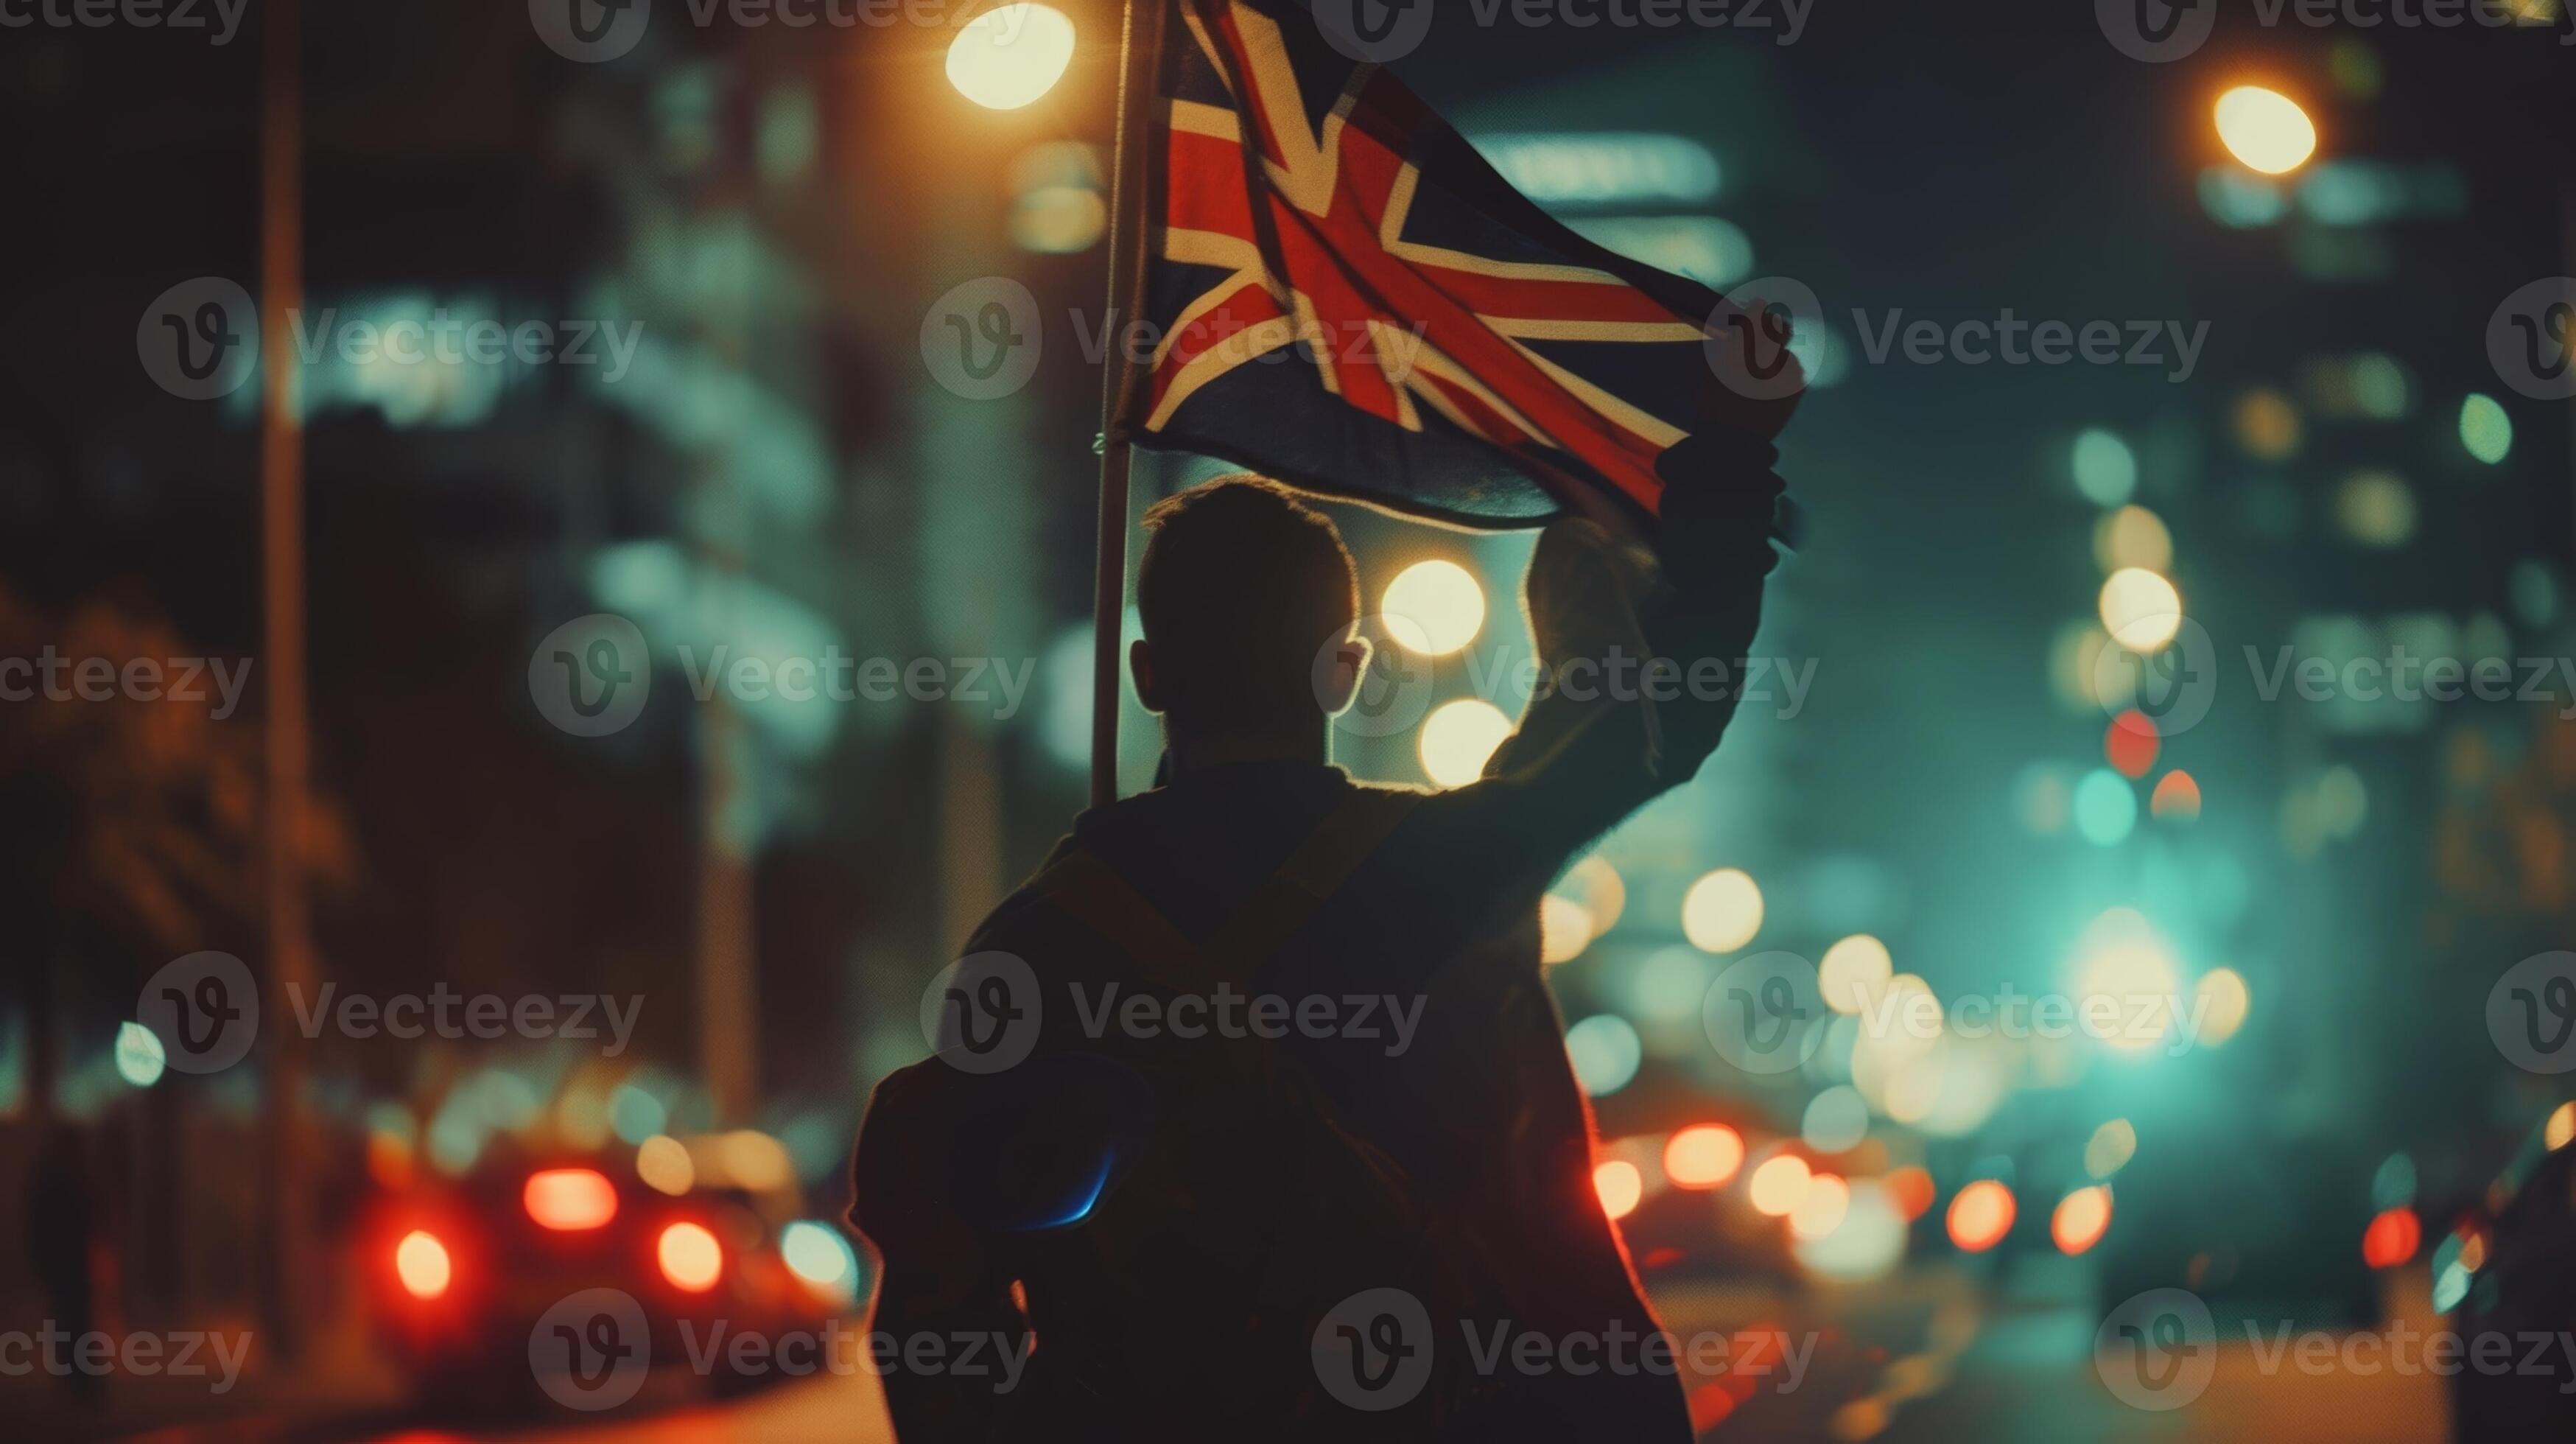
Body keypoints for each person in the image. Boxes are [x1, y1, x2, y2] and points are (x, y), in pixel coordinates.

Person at [851, 438, 1783, 1441]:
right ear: (1344, 672)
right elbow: (1647, 721)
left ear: (1147, 674)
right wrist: (1706, 483)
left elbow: (940, 1313)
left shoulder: (1027, 953)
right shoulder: (1450, 867)